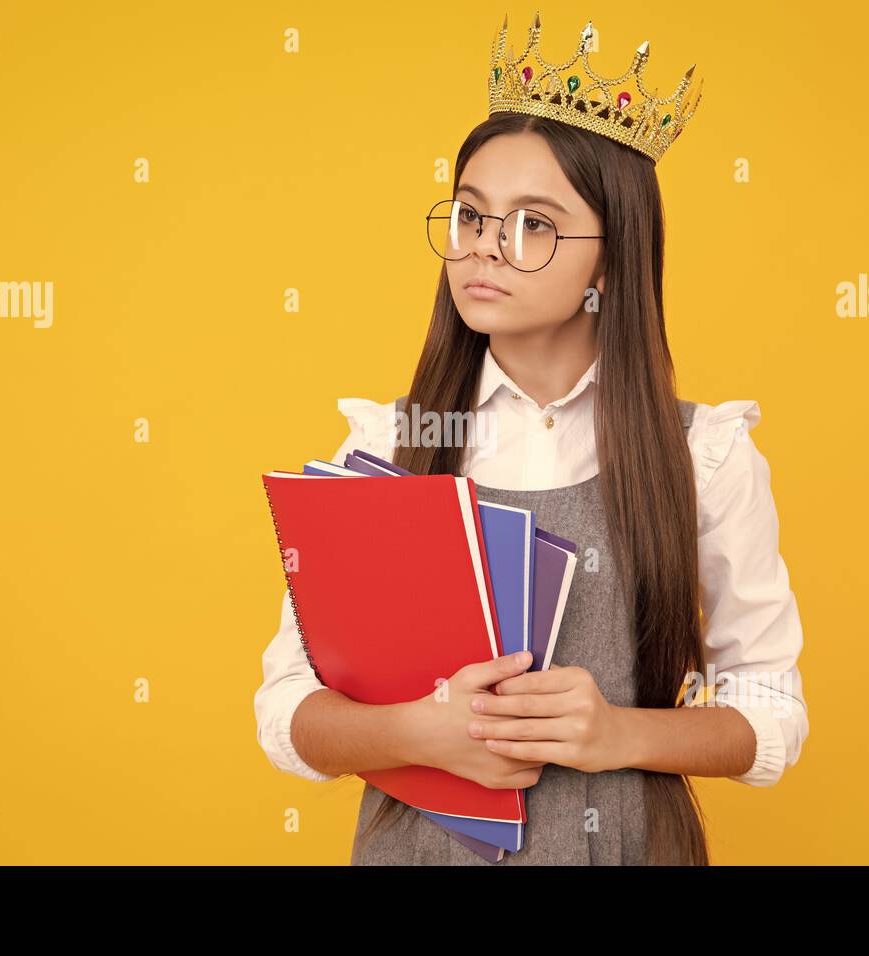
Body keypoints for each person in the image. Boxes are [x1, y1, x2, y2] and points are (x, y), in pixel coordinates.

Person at [254, 14, 809, 865]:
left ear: (612, 259)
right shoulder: (391, 443)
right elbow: (287, 713)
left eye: (535, 225)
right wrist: (421, 732)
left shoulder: (705, 455)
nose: (487, 249)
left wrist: (617, 732)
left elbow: (770, 710)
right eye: (472, 216)